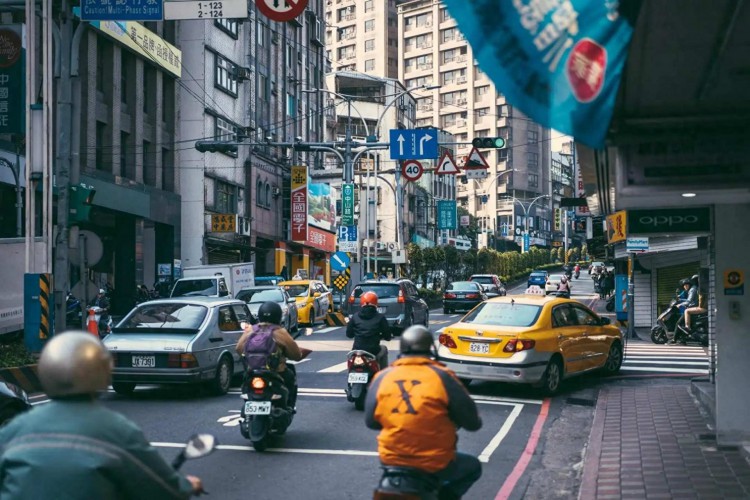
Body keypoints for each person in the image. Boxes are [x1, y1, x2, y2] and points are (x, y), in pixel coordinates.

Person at [0, 331, 203, 499]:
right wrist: (186, 485)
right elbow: (163, 487)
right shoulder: (117, 430)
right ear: (102, 372)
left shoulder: (13, 431)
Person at [365, 325, 482, 500]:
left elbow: (371, 422)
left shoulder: (383, 377)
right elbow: (473, 423)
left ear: (402, 348)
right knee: (472, 467)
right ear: (430, 348)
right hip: (433, 462)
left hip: (391, 461)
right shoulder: (443, 376)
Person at [237, 301, 304, 409]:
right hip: (276, 372)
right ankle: (290, 407)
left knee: (245, 383)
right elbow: (295, 355)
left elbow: (239, 348)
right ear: (278, 316)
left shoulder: (251, 330)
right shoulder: (280, 332)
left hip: (252, 371)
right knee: (290, 377)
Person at [346, 291, 392, 369]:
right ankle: (382, 374)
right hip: (373, 350)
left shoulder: (355, 316)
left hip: (357, 350)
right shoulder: (380, 317)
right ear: (376, 303)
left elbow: (349, 334)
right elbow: (387, 336)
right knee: (383, 348)